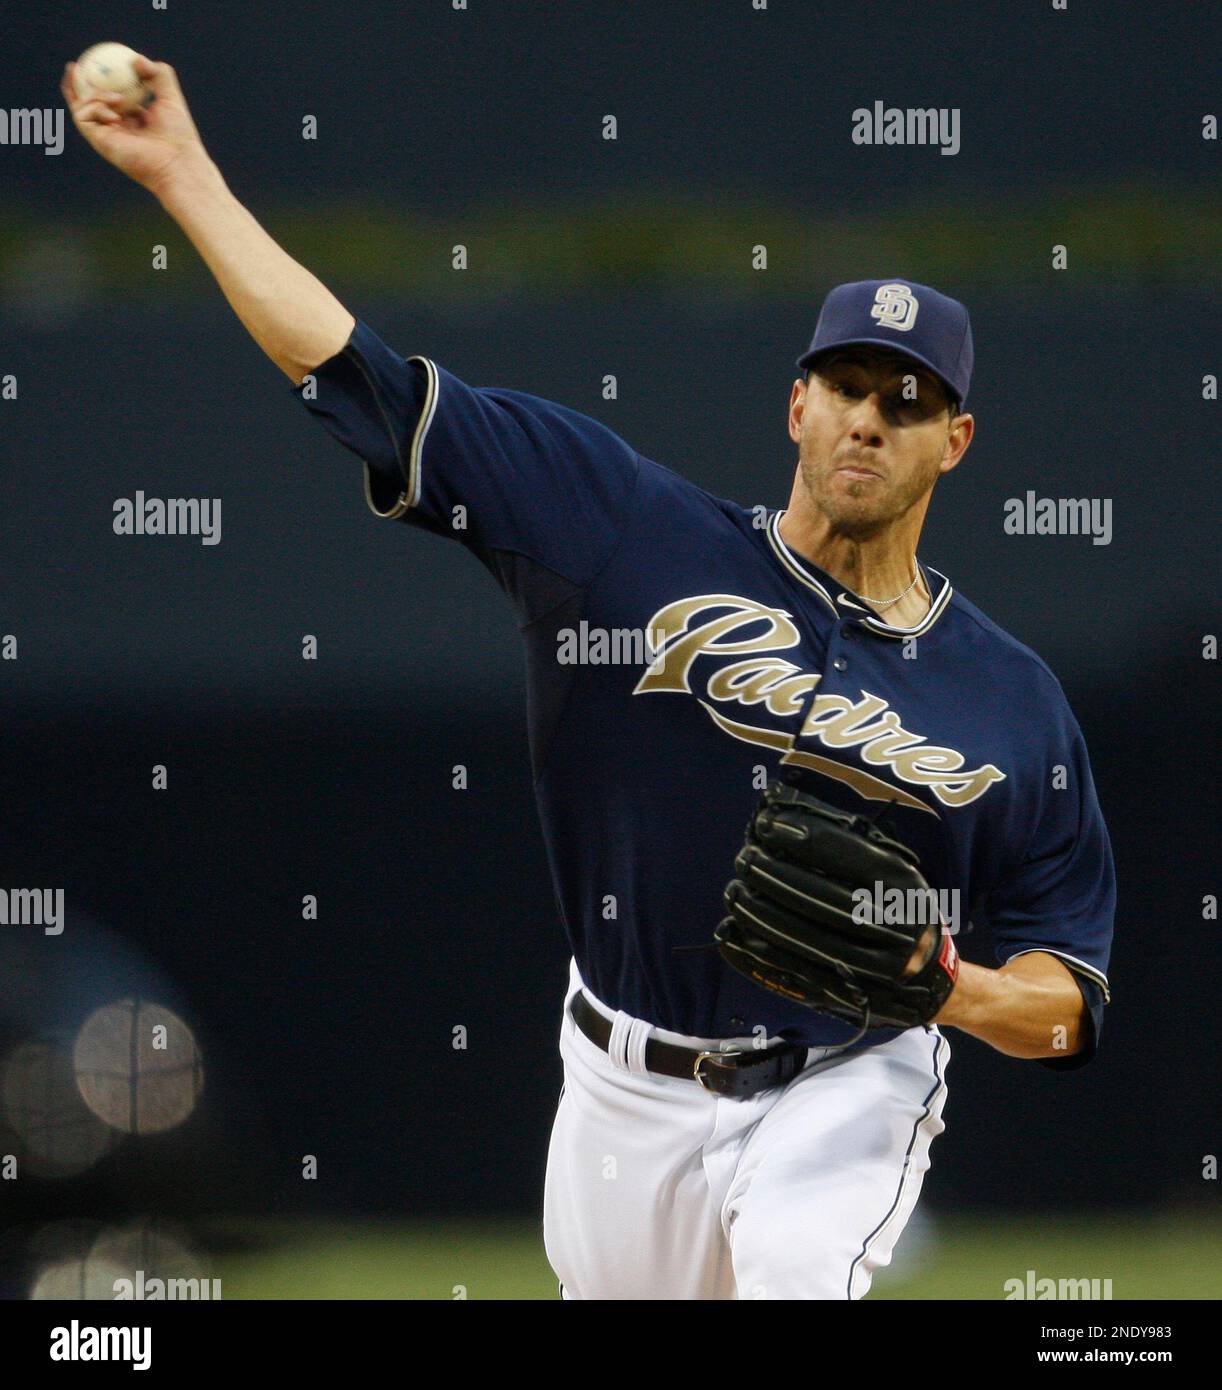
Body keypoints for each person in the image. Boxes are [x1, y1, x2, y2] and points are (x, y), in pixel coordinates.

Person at [64, 56, 1115, 1300]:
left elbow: (1070, 1001)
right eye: (843, 385)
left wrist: (956, 989)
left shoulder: (1009, 698)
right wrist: (183, 175)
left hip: (848, 1076)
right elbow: (363, 378)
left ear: (958, 438)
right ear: (796, 405)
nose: (868, 418)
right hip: (623, 1083)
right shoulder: (623, 526)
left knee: (793, 1275)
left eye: (908, 397)